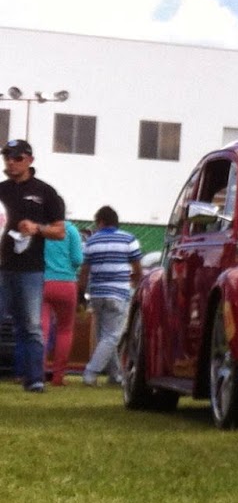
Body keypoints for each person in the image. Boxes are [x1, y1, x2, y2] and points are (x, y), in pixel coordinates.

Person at [0, 138, 67, 392]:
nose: (10, 162)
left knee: (31, 326)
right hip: (2, 267)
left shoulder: (45, 192)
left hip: (30, 269)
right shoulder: (1, 191)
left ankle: (35, 379)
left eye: (17, 157)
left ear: (29, 160)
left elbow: (60, 231)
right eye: (7, 157)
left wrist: (37, 228)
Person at [79, 204, 143, 386]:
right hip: (119, 292)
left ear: (100, 222)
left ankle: (116, 375)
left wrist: (81, 293)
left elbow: (84, 272)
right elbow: (137, 269)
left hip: (97, 293)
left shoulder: (91, 242)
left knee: (104, 336)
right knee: (112, 336)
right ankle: (90, 373)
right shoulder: (129, 239)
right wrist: (138, 286)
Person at [39, 215, 84, 385]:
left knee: (42, 329)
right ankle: (58, 376)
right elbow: (78, 259)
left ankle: (38, 374)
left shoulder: (42, 230)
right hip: (66, 283)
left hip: (43, 282)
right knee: (65, 330)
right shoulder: (71, 230)